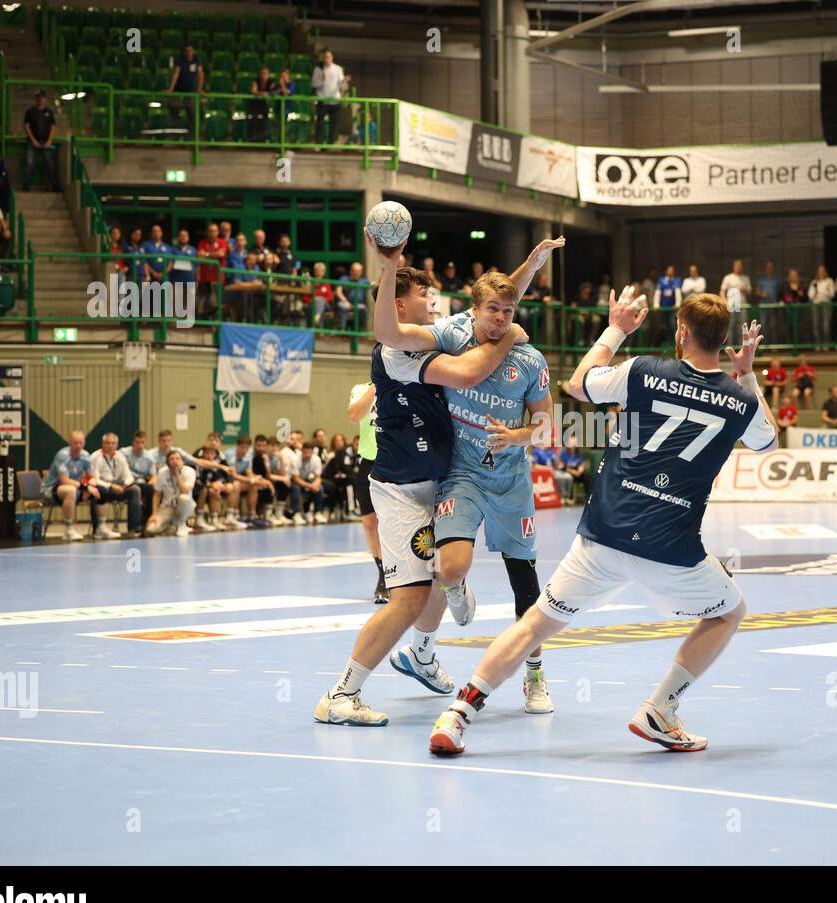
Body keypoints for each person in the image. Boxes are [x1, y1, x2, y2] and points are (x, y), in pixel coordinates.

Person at [428, 292, 778, 755]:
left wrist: (616, 328)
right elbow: (768, 444)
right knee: (728, 612)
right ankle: (660, 709)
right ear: (725, 341)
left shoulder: (644, 370)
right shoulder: (739, 400)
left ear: (682, 333)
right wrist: (748, 375)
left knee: (534, 626)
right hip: (670, 550)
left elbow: (579, 383)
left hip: (603, 538)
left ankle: (459, 714)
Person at [311, 242, 536, 727]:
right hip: (401, 490)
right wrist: (508, 337)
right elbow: (474, 367)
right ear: (399, 304)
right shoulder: (398, 353)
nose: (434, 304)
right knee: (409, 596)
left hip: (436, 480)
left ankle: (423, 655)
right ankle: (340, 694)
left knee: (440, 574)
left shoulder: (441, 332)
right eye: (424, 297)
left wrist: (530, 267)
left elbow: (495, 300)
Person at [402, 238, 565, 714]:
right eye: (492, 309)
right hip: (463, 474)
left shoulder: (530, 360)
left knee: (526, 587)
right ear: (473, 310)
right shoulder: (455, 334)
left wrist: (519, 437)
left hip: (511, 480)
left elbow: (546, 421)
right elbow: (408, 334)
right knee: (449, 567)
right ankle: (455, 591)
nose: (501, 318)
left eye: (508, 310)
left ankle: (535, 676)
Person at [41, 431, 93, 542]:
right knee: (70, 490)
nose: (78, 445)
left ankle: (100, 527)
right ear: (70, 443)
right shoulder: (63, 455)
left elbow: (92, 475)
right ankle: (69, 529)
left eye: (80, 442)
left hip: (77, 489)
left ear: (84, 443)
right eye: (75, 443)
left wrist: (92, 484)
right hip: (52, 489)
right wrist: (85, 487)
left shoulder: (86, 455)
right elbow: (64, 480)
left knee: (98, 490)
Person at [87, 432, 141, 538]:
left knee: (135, 490)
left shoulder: (120, 456)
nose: (111, 445)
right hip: (104, 487)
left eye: (113, 443)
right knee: (98, 491)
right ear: (103, 444)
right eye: (108, 443)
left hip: (119, 487)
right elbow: (95, 479)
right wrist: (111, 486)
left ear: (117, 445)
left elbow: (128, 475)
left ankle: (133, 528)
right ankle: (98, 528)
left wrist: (125, 485)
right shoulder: (95, 457)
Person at [144, 449, 196, 537]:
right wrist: (154, 514)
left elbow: (185, 491)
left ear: (182, 461)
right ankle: (171, 527)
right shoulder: (162, 472)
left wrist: (177, 475)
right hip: (167, 507)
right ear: (167, 462)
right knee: (151, 529)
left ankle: (182, 524)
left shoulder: (190, 471)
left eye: (178, 458)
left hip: (185, 507)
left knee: (184, 498)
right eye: (172, 459)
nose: (175, 461)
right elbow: (157, 495)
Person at [117, 430, 157, 533]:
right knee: (136, 490)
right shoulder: (123, 453)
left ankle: (147, 523)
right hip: (125, 482)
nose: (140, 445)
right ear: (133, 443)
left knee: (151, 490)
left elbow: (153, 477)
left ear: (146, 443)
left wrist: (151, 483)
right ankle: (134, 526)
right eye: (137, 442)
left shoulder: (149, 458)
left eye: (142, 443)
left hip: (142, 482)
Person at [166, 44, 205, 139]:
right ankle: (175, 135)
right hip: (178, 92)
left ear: (193, 51)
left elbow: (201, 74)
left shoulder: (196, 60)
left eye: (191, 50)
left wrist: (199, 89)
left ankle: (192, 137)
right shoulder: (180, 60)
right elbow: (176, 74)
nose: (189, 53)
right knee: (174, 111)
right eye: (187, 50)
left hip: (191, 93)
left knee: (192, 114)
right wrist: (170, 89)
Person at [312, 49, 346, 145]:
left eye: (329, 57)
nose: (327, 59)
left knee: (333, 123)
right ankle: (318, 143)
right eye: (325, 57)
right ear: (323, 58)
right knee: (320, 123)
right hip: (322, 100)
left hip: (334, 100)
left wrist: (344, 82)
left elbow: (342, 84)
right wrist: (322, 80)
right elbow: (314, 84)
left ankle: (331, 143)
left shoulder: (338, 69)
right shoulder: (318, 69)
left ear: (332, 58)